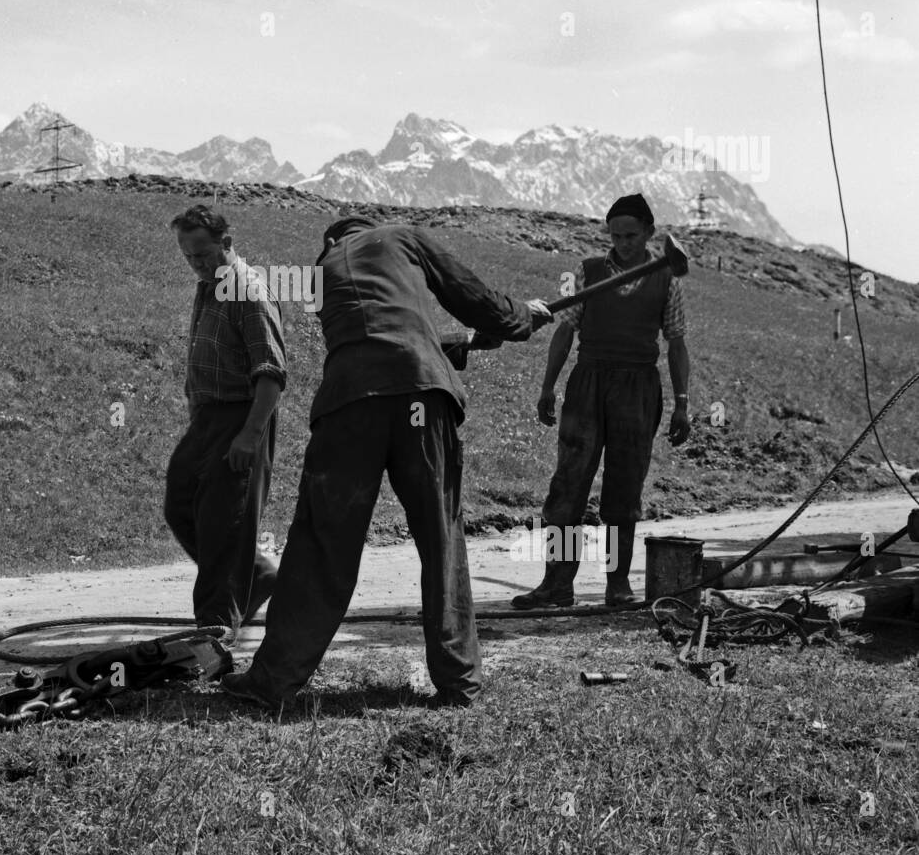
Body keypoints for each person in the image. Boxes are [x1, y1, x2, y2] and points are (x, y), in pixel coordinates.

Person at [222, 216, 551, 709]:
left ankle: (274, 680)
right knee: (441, 535)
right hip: (420, 396)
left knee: (321, 542)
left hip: (351, 404)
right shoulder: (402, 236)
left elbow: (373, 334)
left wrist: (460, 343)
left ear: (332, 240)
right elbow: (467, 296)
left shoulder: (321, 273)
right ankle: (459, 682)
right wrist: (522, 316)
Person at [514, 192, 690, 611]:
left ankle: (618, 585)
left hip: (637, 388)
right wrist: (547, 386)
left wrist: (683, 400)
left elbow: (677, 343)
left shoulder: (667, 278)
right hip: (587, 383)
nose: (622, 242)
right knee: (567, 486)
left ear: (649, 233)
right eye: (615, 235)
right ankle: (556, 584)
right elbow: (564, 332)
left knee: (623, 489)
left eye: (631, 235)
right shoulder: (588, 271)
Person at [164, 206, 286, 637]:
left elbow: (271, 373)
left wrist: (250, 435)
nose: (196, 263)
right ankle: (255, 574)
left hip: (241, 416)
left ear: (227, 244)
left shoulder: (249, 292)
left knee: (222, 522)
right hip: (208, 419)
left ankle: (214, 630)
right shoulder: (209, 286)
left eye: (203, 254)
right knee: (181, 502)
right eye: (188, 257)